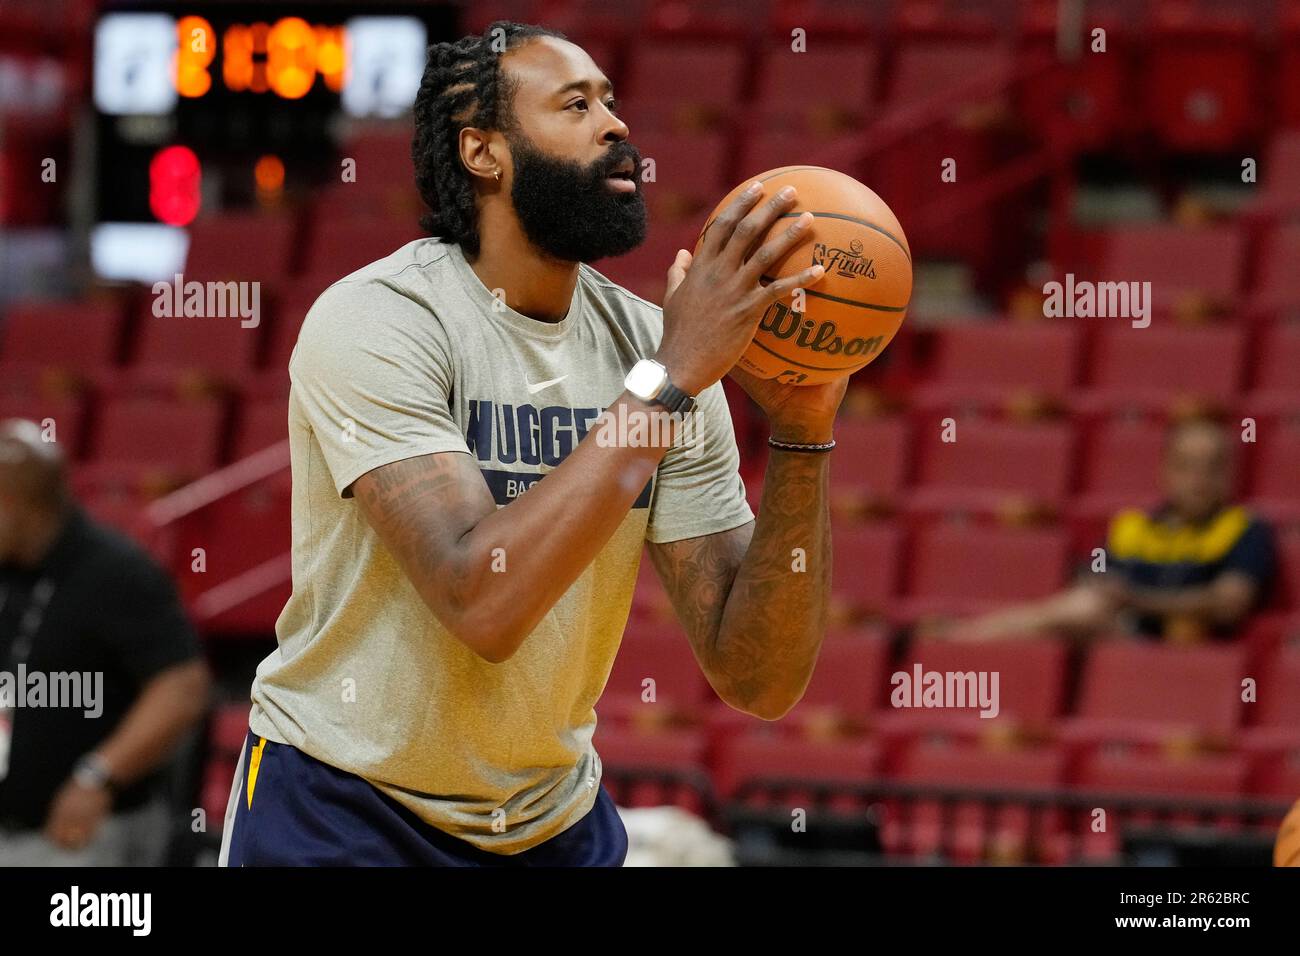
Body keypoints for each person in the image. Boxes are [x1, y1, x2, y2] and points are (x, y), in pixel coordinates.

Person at [218, 22, 845, 867]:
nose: (616, 125)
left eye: (611, 102)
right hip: (345, 810)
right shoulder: (380, 321)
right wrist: (673, 376)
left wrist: (803, 433)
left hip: (550, 822)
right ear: (484, 152)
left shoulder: (656, 349)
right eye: (576, 105)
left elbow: (757, 679)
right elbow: (482, 603)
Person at [0, 418, 209, 865]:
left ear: (12, 504)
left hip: (81, 835)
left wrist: (97, 776)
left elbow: (183, 687)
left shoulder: (116, 572)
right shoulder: (10, 565)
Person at [955, 417, 1277, 644]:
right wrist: (1097, 581)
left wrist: (1136, 600)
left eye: (1212, 467)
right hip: (1112, 634)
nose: (1199, 481)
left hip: (1179, 646)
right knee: (1080, 607)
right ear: (1165, 470)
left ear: (1231, 472)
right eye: (1186, 466)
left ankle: (962, 639)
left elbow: (1228, 605)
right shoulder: (1131, 526)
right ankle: (968, 641)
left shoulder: (1245, 529)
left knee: (1082, 610)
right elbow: (1097, 572)